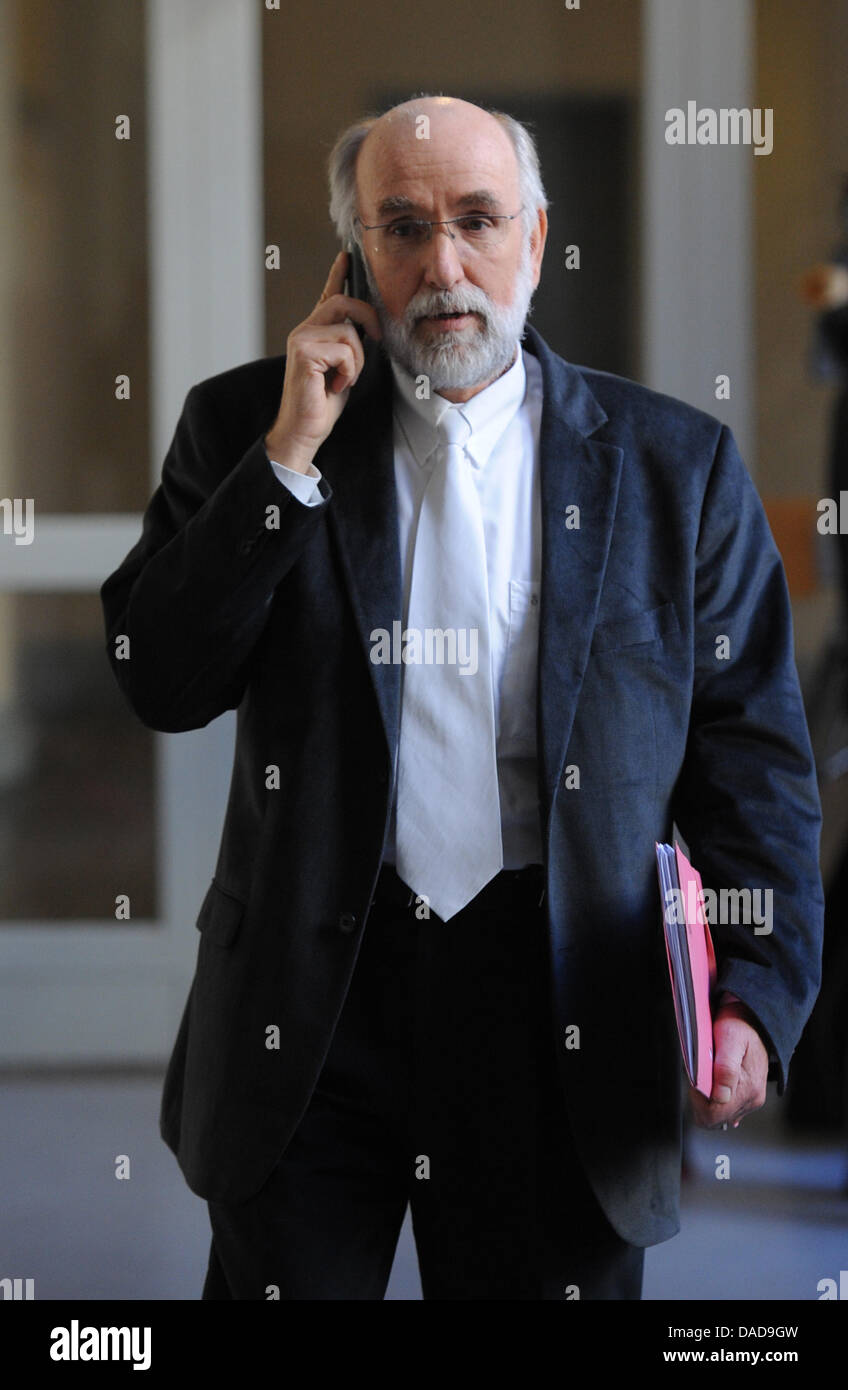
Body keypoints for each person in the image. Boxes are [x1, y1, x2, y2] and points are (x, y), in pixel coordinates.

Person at [101, 95, 824, 1300]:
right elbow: (162, 680)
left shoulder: (671, 468)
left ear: (534, 242)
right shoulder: (247, 428)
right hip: (314, 1000)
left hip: (561, 996)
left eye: (477, 221)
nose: (443, 264)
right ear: (353, 261)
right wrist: (283, 467)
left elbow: (749, 750)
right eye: (400, 228)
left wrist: (753, 989)